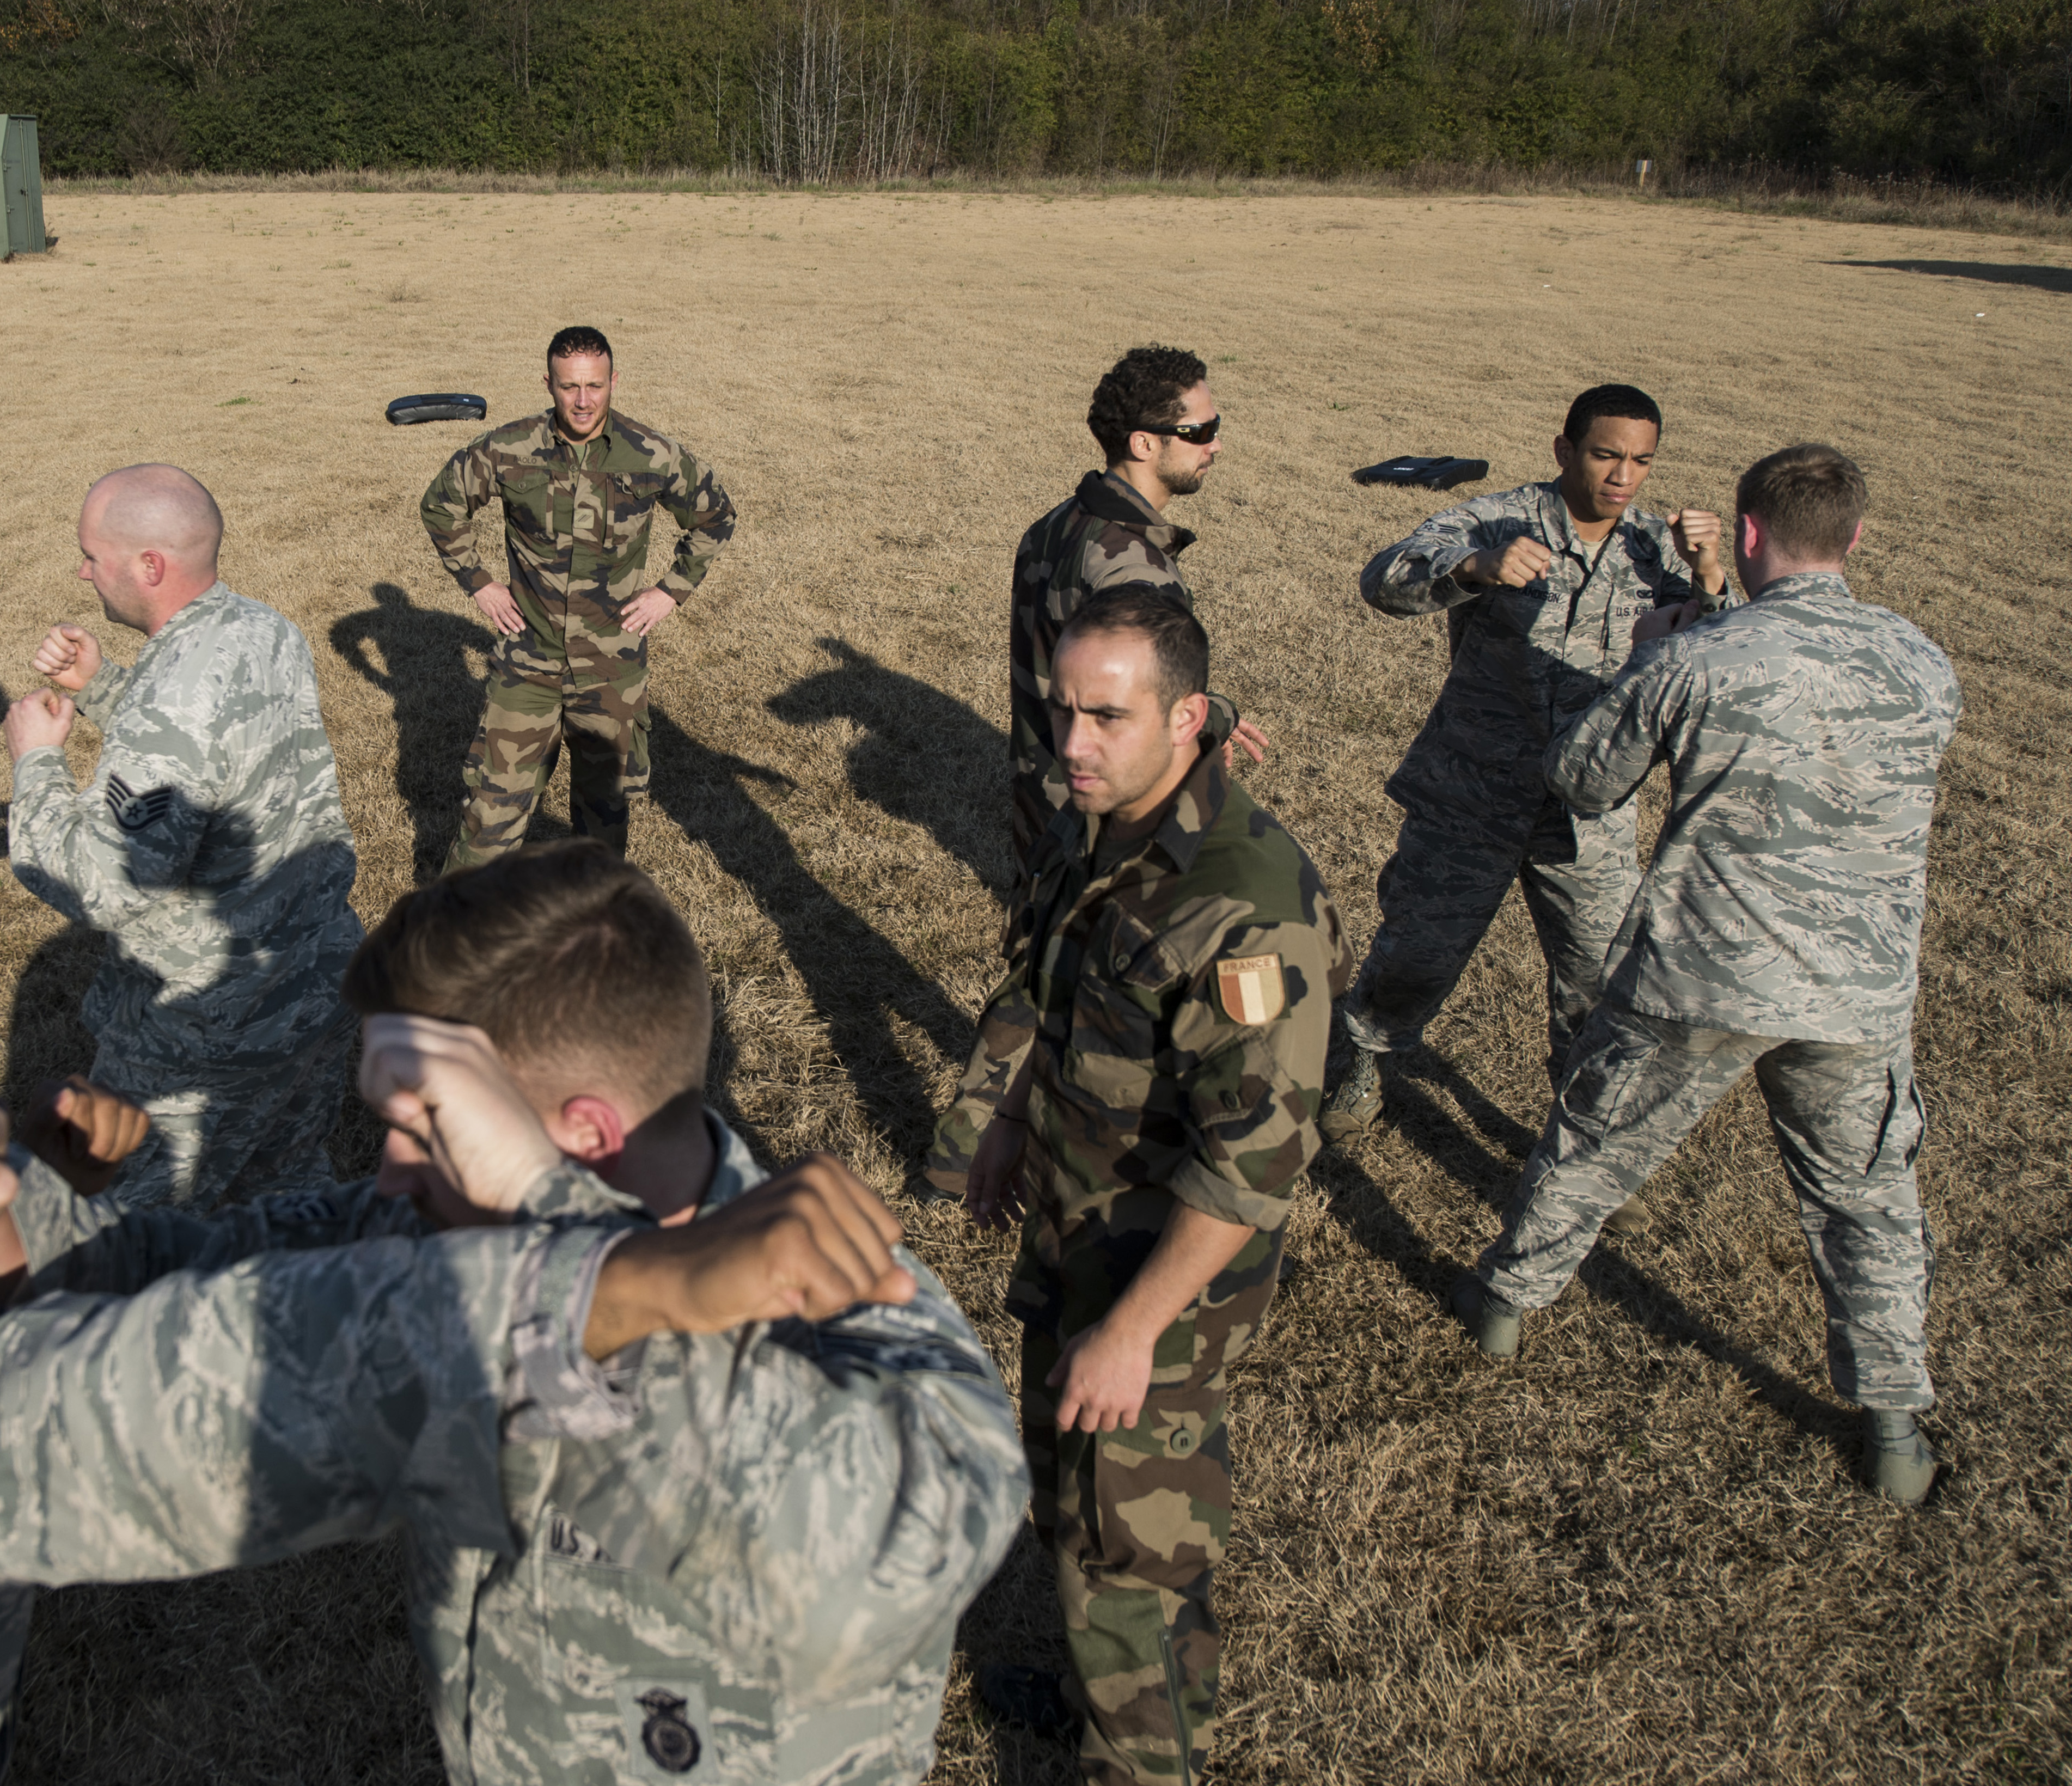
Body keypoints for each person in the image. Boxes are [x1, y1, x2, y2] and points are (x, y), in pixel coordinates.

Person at [0, 892, 911, 1785]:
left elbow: (155, 1283)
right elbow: (181, 1401)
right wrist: (624, 1282)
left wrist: (42, 1200)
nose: (4, 1095)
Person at [227, 839, 1025, 1784]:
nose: (387, 1174)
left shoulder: (858, 1321)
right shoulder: (451, 1229)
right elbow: (215, 1274)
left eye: (424, 1130)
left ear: (580, 1140)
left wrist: (549, 1211)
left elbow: (857, 1573)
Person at [1448, 445, 1959, 1507]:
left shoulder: (1699, 659)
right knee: (1865, 1198)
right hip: (1856, 989)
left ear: (1751, 533)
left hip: (1700, 972)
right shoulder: (1923, 662)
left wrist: (1643, 659)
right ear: (1855, 539)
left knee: (1591, 1146)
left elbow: (1583, 781)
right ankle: (1896, 1428)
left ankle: (1500, 1312)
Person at [925, 589, 1353, 1785]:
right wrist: (1003, 1114)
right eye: (1063, 711)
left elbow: (1251, 1162)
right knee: (1077, 1513)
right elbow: (1047, 976)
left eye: (1106, 716)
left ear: (1190, 717)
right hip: (1079, 1224)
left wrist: (1132, 1328)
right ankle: (1091, 1694)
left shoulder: (1247, 904)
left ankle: (1145, 1753)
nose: (1072, 743)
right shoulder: (1102, 818)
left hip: (1159, 1275)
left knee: (1127, 1558)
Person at [1322, 384, 1729, 1216]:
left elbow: (1725, 659)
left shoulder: (1660, 552)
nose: (1623, 476)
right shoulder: (1498, 521)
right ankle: (1364, 1060)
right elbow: (1383, 581)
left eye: (1641, 460)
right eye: (1606, 454)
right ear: (1564, 450)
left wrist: (1713, 577)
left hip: (1590, 814)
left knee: (1596, 989)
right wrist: (1470, 568)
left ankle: (1579, 1135)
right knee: (1416, 955)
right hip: (1473, 789)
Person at [13, 463, 364, 1207]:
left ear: (149, 566)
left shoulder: (179, 690)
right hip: (309, 989)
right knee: (287, 1203)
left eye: (91, 556)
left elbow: (100, 884)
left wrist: (37, 763)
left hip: (206, 1032)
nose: (82, 572)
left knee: (131, 1235)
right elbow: (216, 756)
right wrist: (103, 685)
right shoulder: (263, 628)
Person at [419, 324, 736, 870]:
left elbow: (714, 515)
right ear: (548, 383)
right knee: (490, 816)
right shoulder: (508, 448)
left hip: (611, 669)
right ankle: (454, 938)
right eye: (569, 387)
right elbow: (440, 505)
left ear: (614, 381)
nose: (583, 401)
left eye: (594, 386)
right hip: (528, 665)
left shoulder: (652, 454)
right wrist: (479, 582)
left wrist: (670, 591)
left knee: (601, 821)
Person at [1010, 344, 1266, 889]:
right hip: (1101, 815)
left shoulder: (1057, 523)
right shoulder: (1139, 575)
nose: (1215, 444)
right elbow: (1146, 722)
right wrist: (1214, 713)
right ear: (1143, 443)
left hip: (1041, 797)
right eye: (1199, 432)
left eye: (1214, 426)